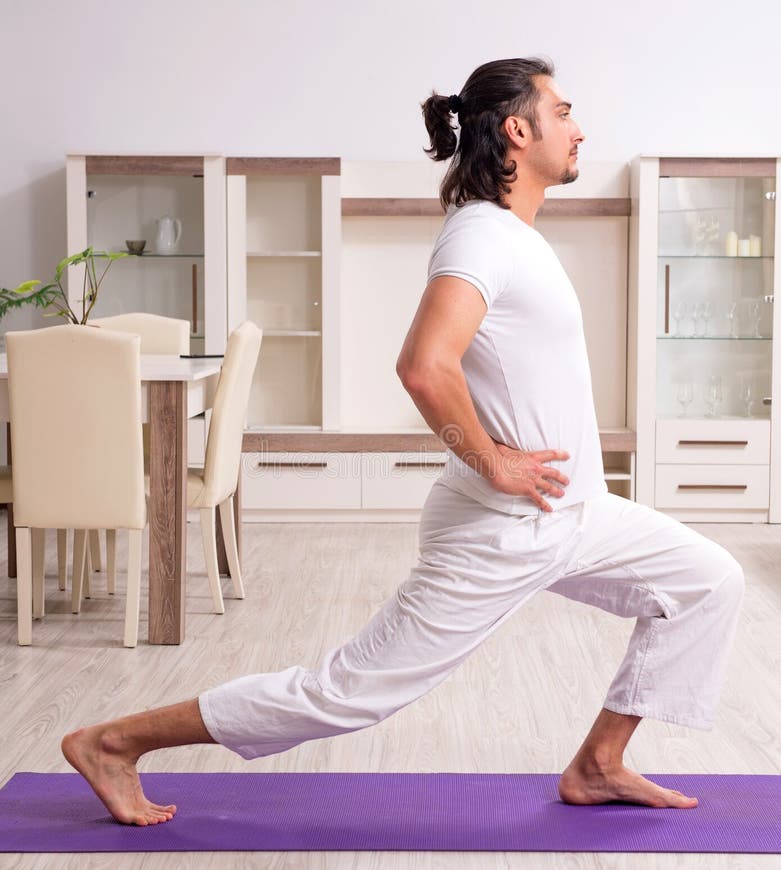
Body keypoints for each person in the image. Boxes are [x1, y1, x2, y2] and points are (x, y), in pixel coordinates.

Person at [62, 57, 744, 826]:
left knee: (706, 582)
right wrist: (491, 461)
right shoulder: (481, 237)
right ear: (518, 131)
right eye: (563, 111)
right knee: (349, 692)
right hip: (503, 525)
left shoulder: (515, 236)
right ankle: (113, 741)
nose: (579, 128)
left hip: (578, 513)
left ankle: (598, 763)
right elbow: (423, 366)